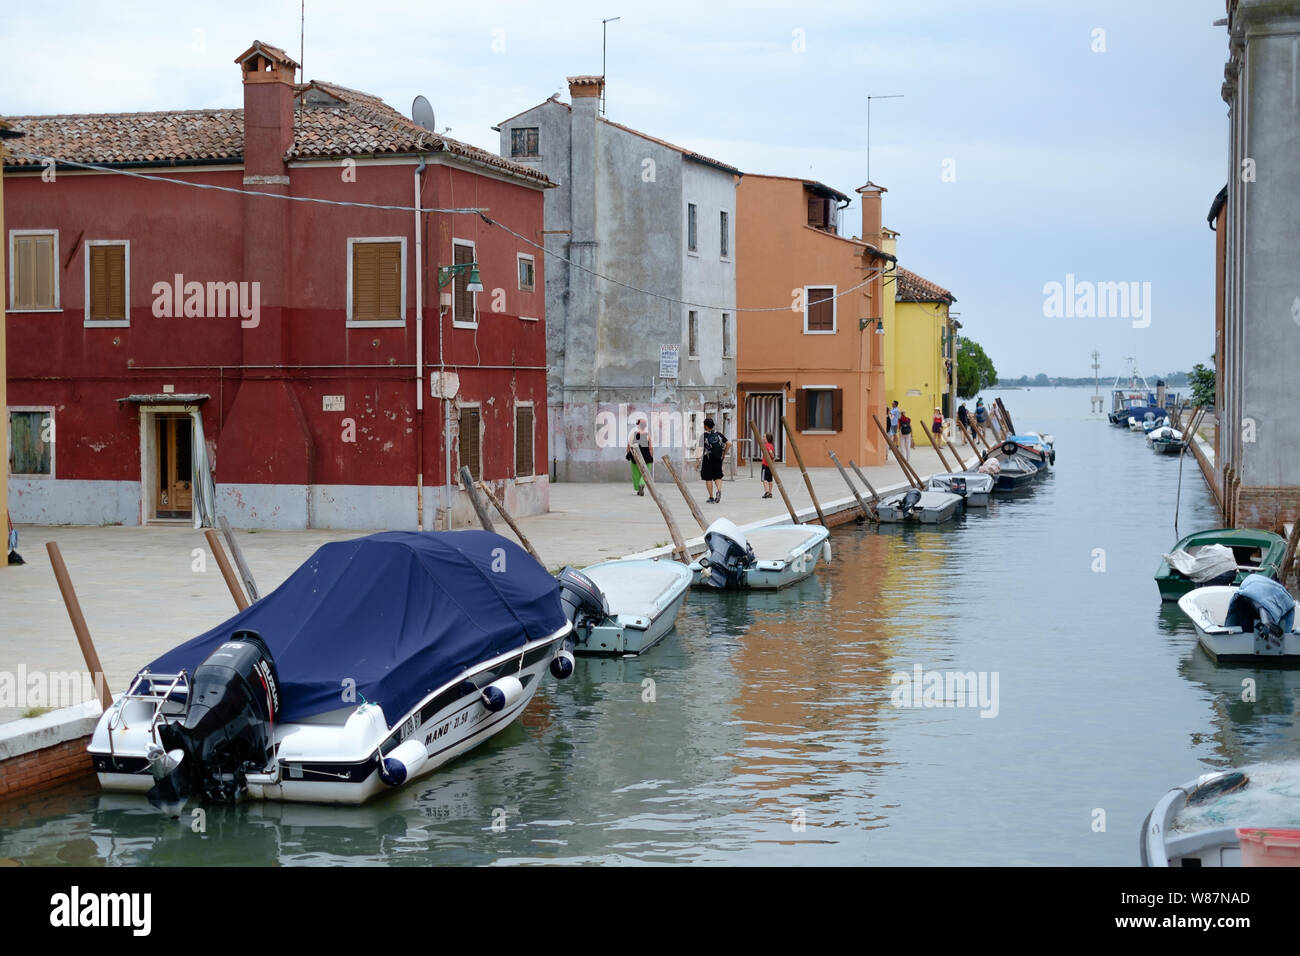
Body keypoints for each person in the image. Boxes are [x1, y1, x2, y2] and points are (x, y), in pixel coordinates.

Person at [700, 417, 729, 503]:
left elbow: (699, 450)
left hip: (707, 459)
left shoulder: (703, 436)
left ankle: (711, 497)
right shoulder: (719, 434)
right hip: (718, 459)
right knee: (718, 476)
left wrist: (697, 462)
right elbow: (729, 443)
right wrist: (724, 454)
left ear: (705, 426)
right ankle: (719, 490)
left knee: (708, 478)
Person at [625, 416, 653, 496]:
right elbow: (650, 447)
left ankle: (637, 487)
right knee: (646, 472)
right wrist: (652, 457)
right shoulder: (647, 434)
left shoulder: (632, 433)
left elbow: (629, 445)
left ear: (638, 424)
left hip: (635, 456)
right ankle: (642, 484)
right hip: (646, 457)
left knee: (635, 473)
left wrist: (628, 454)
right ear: (645, 425)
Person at [760, 432, 776, 499]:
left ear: (767, 439)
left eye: (764, 437)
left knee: (764, 479)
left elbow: (771, 452)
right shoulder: (771, 445)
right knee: (770, 479)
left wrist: (772, 456)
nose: (763, 438)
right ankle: (770, 492)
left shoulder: (766, 445)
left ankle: (767, 492)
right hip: (770, 466)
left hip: (765, 465)